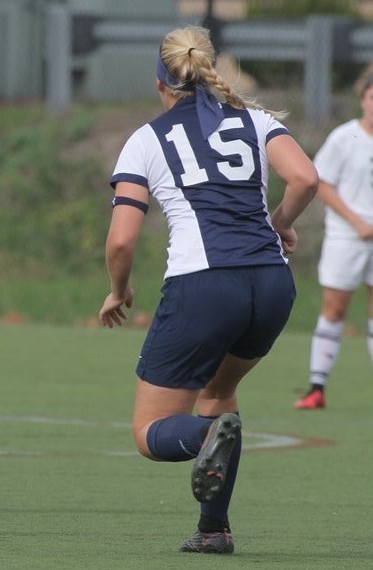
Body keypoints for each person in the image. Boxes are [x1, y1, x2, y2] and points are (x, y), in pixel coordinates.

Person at [99, 26, 317, 554]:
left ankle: (203, 440)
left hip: (204, 284)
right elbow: (306, 178)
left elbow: (122, 241)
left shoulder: (147, 138)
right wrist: (280, 221)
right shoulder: (255, 119)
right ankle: (213, 530)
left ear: (160, 82)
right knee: (218, 395)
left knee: (150, 432)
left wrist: (118, 290)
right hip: (272, 284)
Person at [293, 73, 373, 410]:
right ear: (363, 99)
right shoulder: (345, 137)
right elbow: (322, 183)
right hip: (347, 236)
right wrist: (356, 221)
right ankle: (317, 387)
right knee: (334, 308)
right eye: (372, 96)